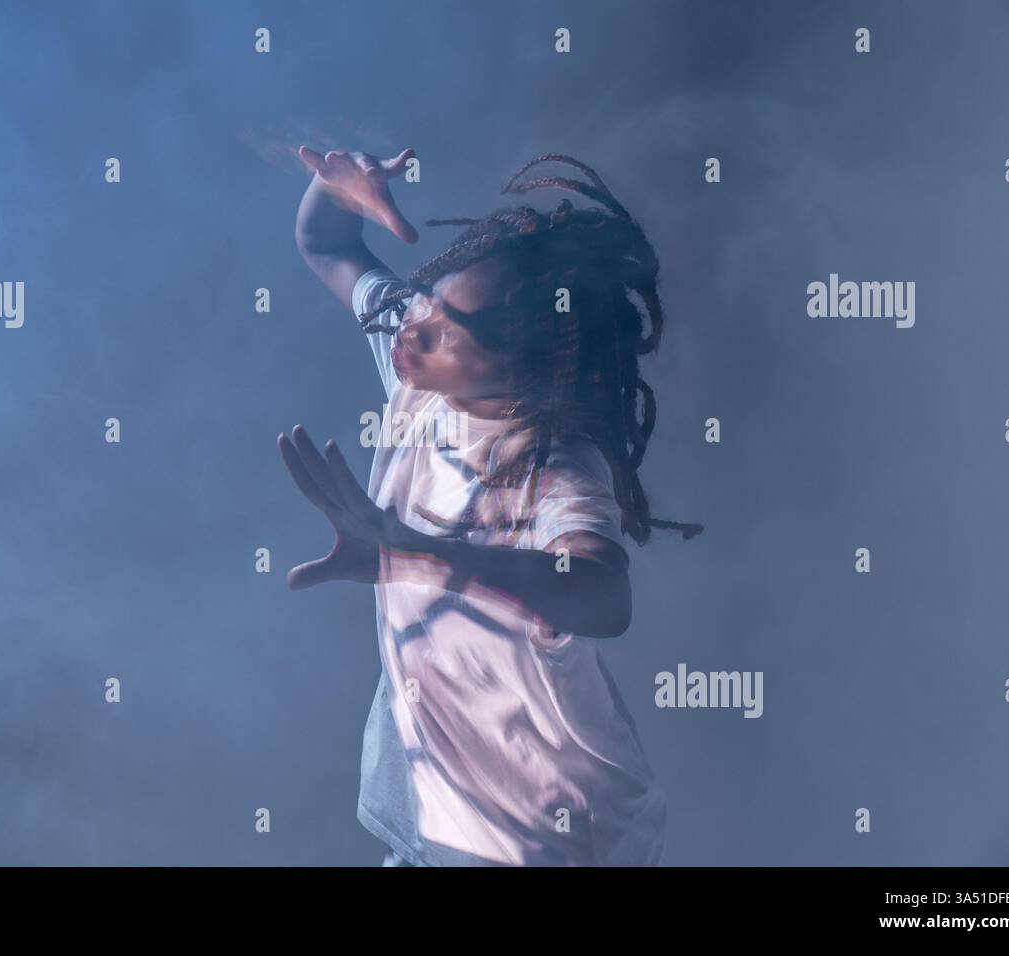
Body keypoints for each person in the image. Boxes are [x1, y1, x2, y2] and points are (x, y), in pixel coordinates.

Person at [282, 146, 702, 866]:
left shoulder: (553, 465)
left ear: (520, 368)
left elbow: (605, 596)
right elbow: (326, 242)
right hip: (436, 819)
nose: (413, 327)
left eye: (451, 330)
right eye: (426, 298)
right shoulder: (418, 372)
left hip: (539, 837)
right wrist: (335, 187)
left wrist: (416, 553)